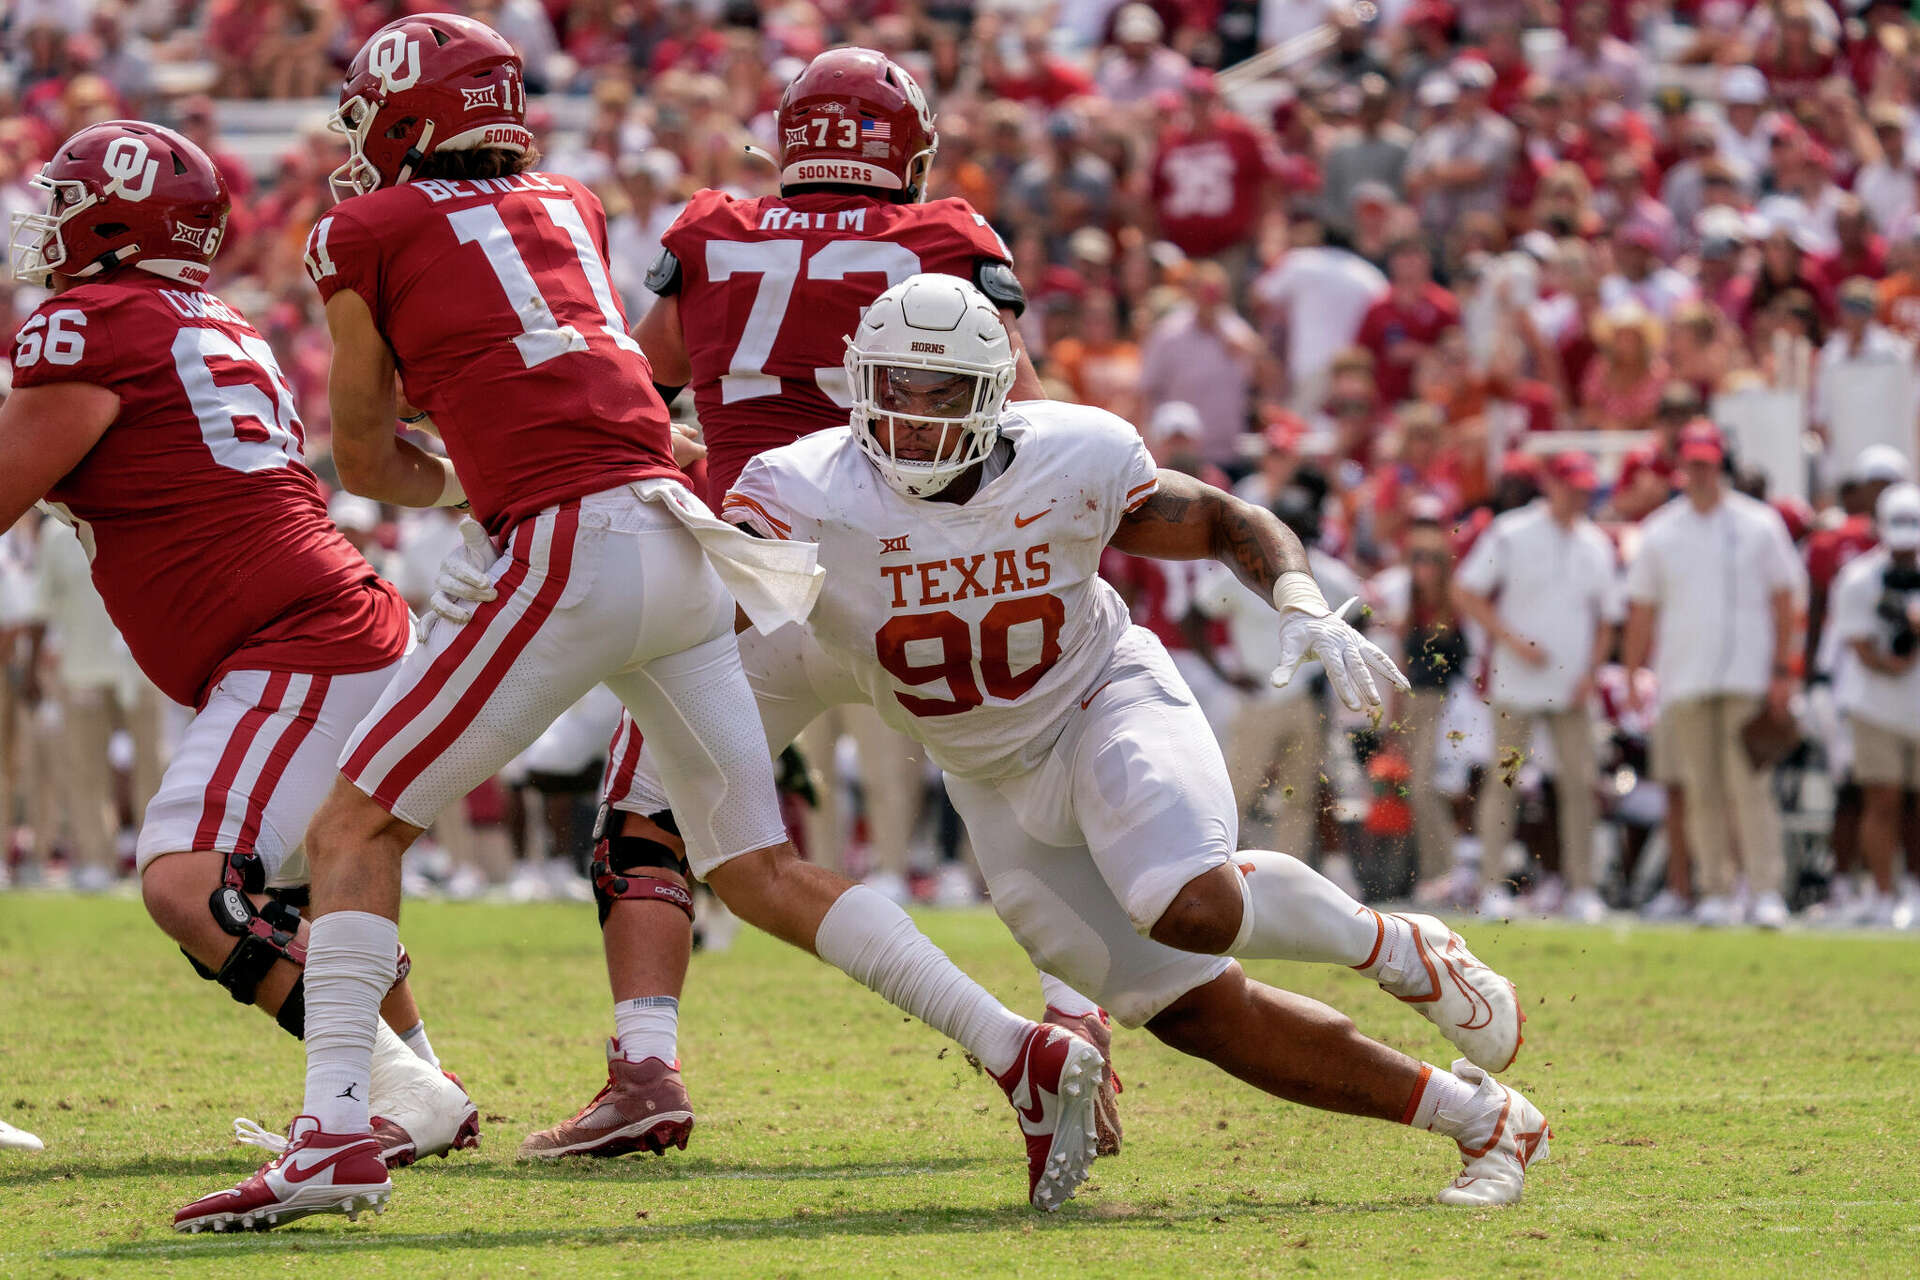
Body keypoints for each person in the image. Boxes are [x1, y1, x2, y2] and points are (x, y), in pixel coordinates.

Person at [179, 16, 1106, 1233]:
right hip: (681, 533)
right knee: (754, 866)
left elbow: (364, 458)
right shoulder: (564, 200)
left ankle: (335, 1132)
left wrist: (465, 484)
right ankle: (1019, 1048)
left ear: (404, 117)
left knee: (355, 823)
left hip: (577, 542)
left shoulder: (364, 228)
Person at [460, 275, 1551, 1209]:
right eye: (894, 390)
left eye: (940, 394)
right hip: (984, 772)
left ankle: (1392, 945)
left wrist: (1300, 596)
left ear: (992, 395)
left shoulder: (1072, 452)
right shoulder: (803, 487)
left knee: (1190, 901)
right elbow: (687, 569)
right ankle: (1485, 1120)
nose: (912, 418)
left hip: (1102, 700)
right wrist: (529, 559)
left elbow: (1221, 517)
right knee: (1188, 1010)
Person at [519, 45, 1119, 1165]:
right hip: (919, 574)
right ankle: (1073, 1011)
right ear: (907, 151)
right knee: (1029, 790)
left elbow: (637, 399)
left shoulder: (712, 232)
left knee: (647, 818)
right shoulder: (942, 235)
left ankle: (646, 1067)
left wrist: (702, 453)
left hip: (755, 580)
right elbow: (1028, 431)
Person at [0, 120, 476, 1179]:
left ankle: (400, 1088)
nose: (50, 227)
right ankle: (424, 1079)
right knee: (302, 882)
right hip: (327, 625)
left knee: (188, 883)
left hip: (298, 640)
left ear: (116, 225)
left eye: (69, 206)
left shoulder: (90, 323)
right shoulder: (210, 319)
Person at [1623, 421, 1805, 928]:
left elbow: (1786, 599)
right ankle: (1715, 890)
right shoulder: (1661, 530)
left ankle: (1765, 890)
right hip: (1684, 677)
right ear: (1681, 467)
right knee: (1700, 790)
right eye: (1692, 464)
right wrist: (1634, 673)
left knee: (1750, 787)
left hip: (1748, 677)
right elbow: (1641, 609)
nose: (1700, 473)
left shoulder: (1759, 523)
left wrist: (1782, 671)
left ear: (1721, 464)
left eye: (1708, 463)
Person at [1452, 453, 1622, 922]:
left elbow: (1607, 617)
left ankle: (1583, 887)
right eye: (1573, 488)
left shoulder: (1595, 543)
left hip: (1572, 686)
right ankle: (1491, 886)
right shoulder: (1511, 532)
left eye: (1585, 490)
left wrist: (1591, 672)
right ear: (1552, 485)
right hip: (1516, 681)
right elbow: (1465, 590)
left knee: (1580, 784)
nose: (1580, 498)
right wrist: (1511, 640)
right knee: (1504, 779)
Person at [1827, 482, 1920, 927]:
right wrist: (1895, 660)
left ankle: (1915, 892)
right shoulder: (1859, 578)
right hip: (1875, 708)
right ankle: (1883, 894)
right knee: (1881, 802)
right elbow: (1860, 647)